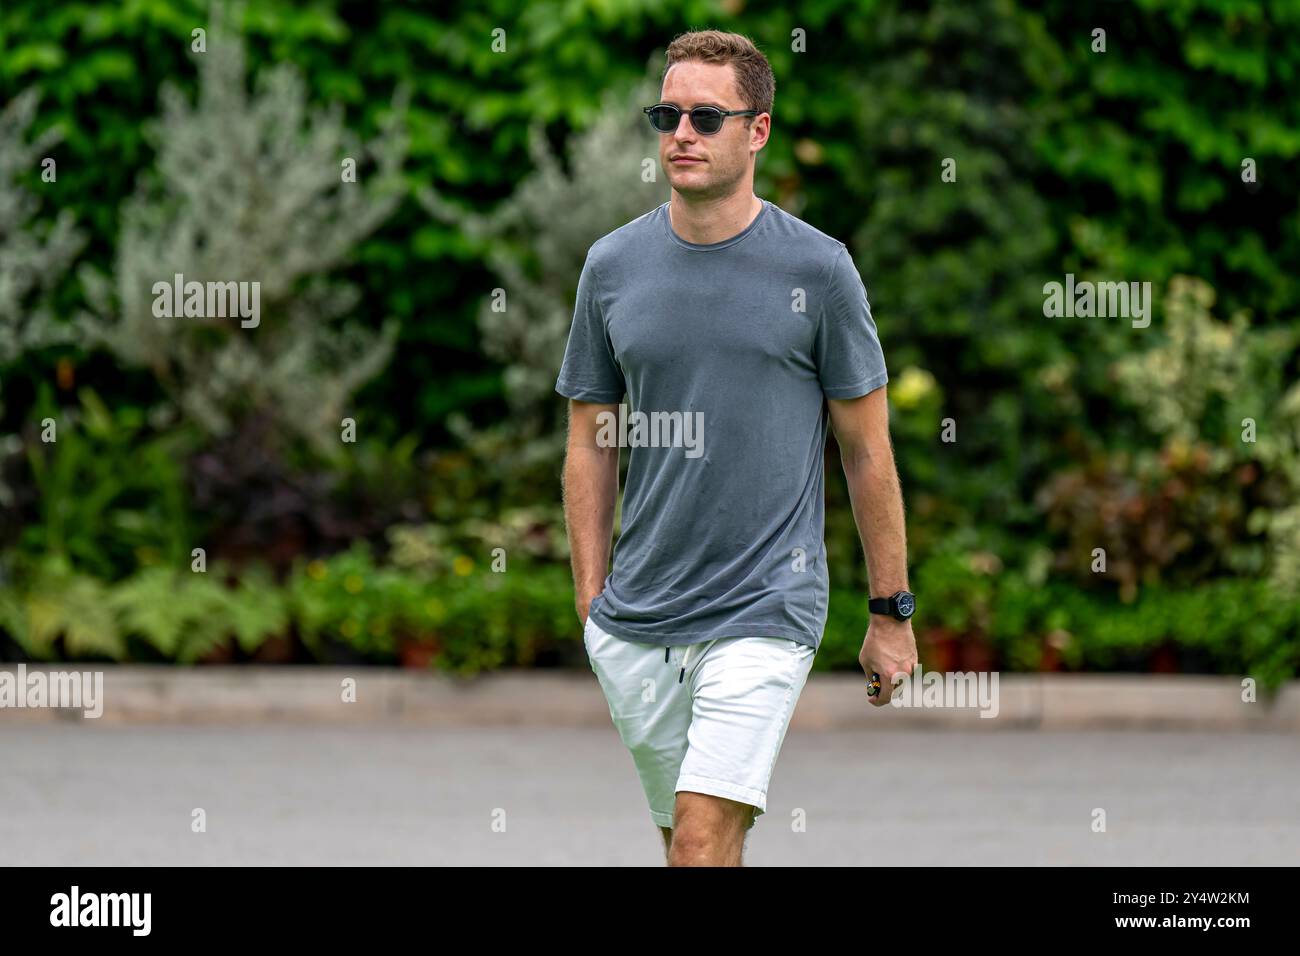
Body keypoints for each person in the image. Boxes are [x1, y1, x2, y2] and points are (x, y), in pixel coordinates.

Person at [556, 28, 918, 866]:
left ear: (756, 131)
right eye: (668, 113)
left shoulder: (820, 271)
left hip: (765, 606)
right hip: (637, 617)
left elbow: (867, 453)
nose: (681, 132)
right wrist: (590, 602)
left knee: (697, 839)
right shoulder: (612, 266)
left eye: (706, 117)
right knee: (692, 842)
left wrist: (890, 613)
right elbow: (589, 439)